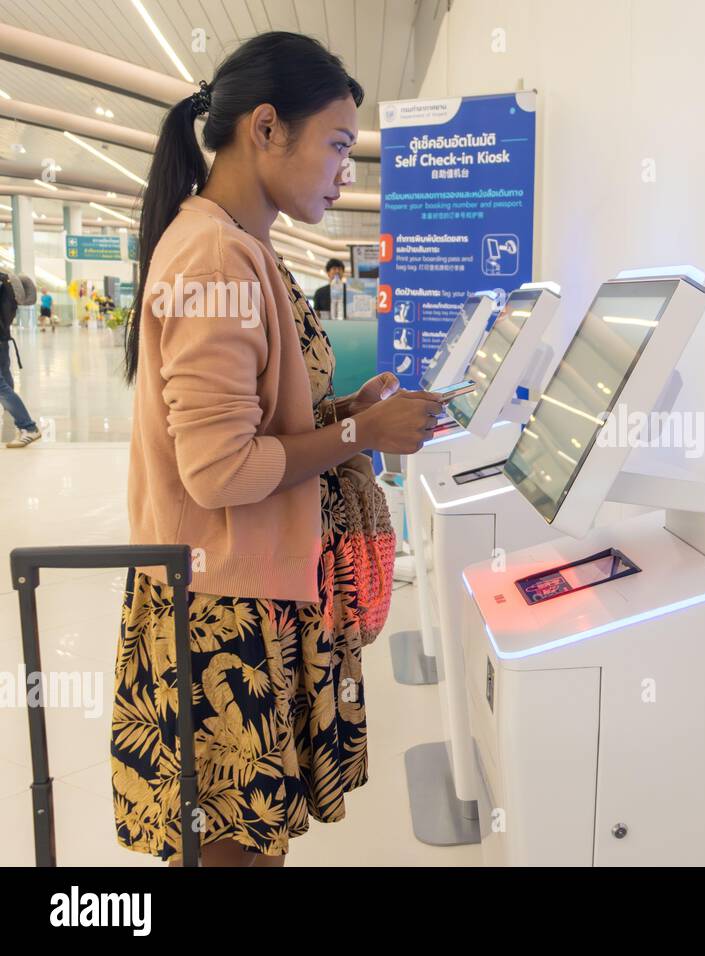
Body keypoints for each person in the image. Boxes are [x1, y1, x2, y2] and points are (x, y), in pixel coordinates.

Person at [116, 31, 446, 867]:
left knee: (255, 841)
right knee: (238, 847)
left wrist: (343, 412)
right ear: (266, 128)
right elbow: (220, 469)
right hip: (225, 609)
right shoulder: (217, 254)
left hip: (245, 588)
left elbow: (257, 421)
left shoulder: (239, 244)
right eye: (337, 145)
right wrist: (356, 435)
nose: (346, 171)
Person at [0, 275, 40, 447]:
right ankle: (20, 421)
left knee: (2, 387)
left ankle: (28, 427)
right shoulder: (6, 283)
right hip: (2, 340)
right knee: (5, 382)